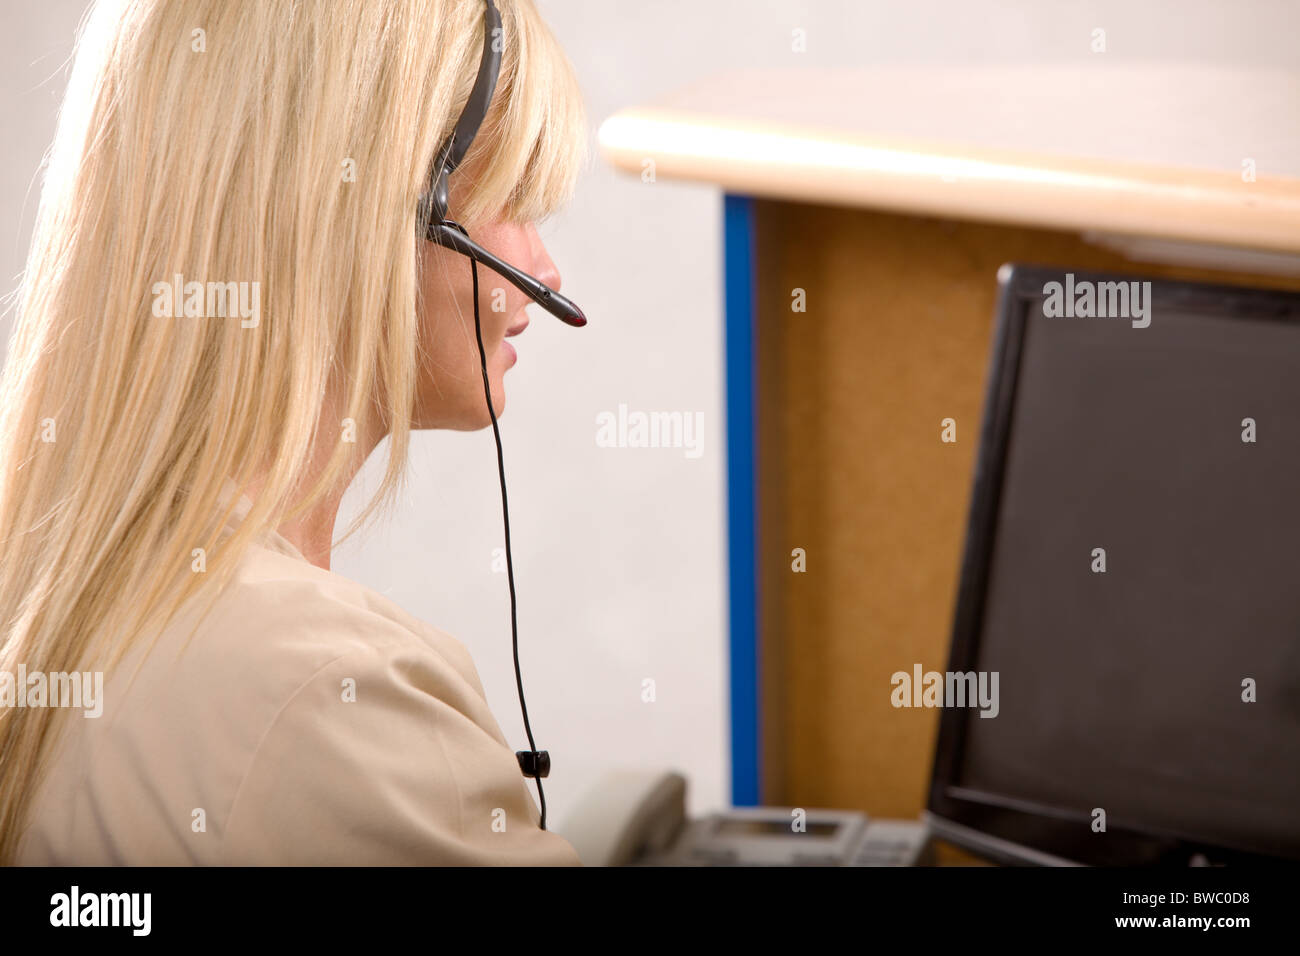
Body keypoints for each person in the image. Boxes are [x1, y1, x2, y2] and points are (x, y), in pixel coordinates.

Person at [0, 0, 586, 865]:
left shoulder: (61, 595)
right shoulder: (333, 699)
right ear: (380, 214)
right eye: (515, 202)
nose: (544, 272)